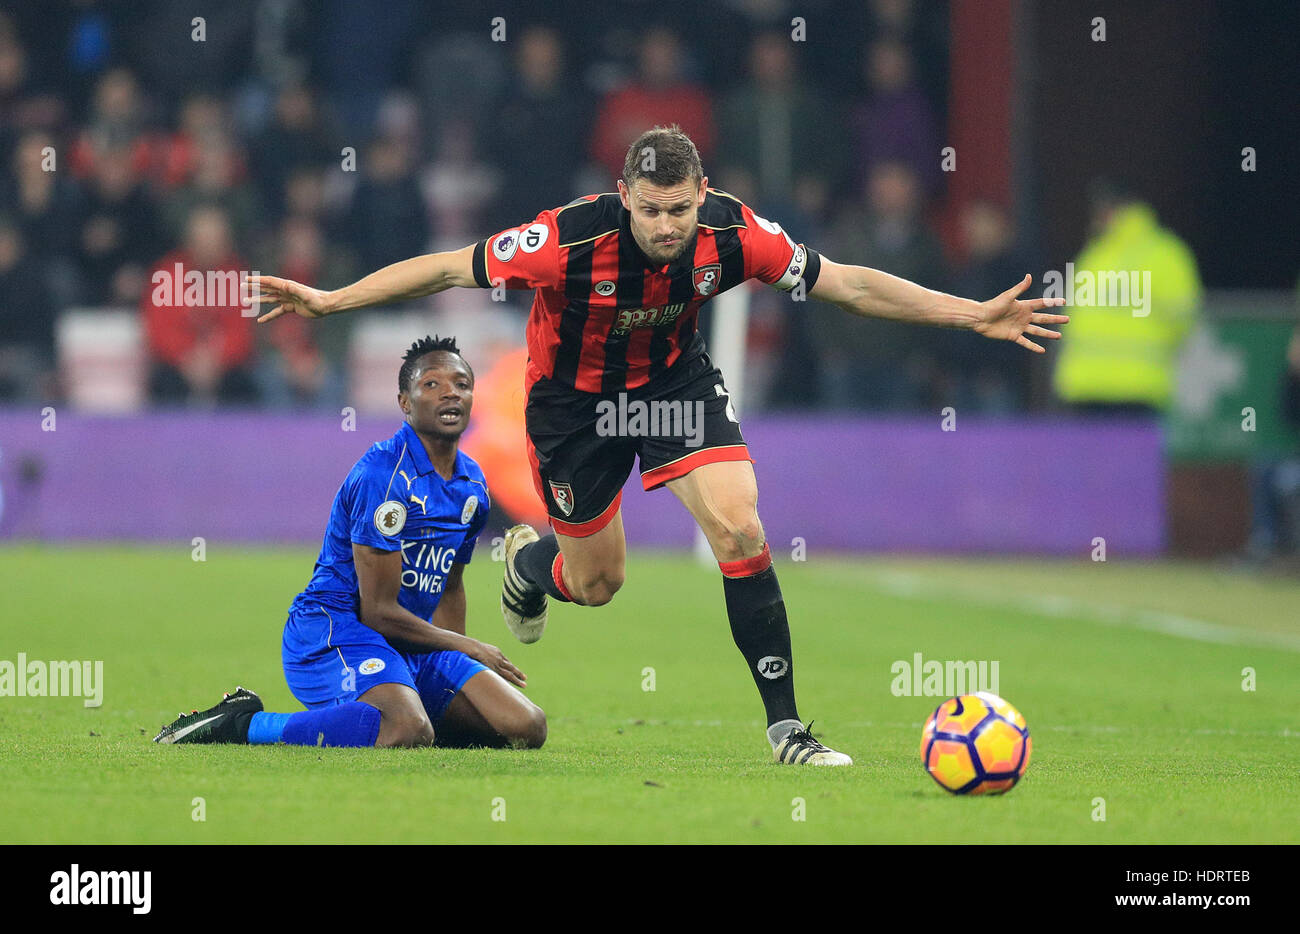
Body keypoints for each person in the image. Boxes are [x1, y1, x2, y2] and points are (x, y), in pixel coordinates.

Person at [253, 126, 1066, 765]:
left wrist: (971, 312)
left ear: (701, 195)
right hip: (573, 412)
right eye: (651, 211)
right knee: (599, 582)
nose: (669, 226)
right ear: (625, 198)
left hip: (674, 393)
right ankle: (533, 569)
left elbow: (848, 283)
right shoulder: (562, 241)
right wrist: (331, 300)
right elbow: (444, 269)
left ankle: (787, 729)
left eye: (681, 209)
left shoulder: (735, 232)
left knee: (741, 528)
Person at [154, 336, 546, 750]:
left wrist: (454, 665)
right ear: (404, 402)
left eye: (462, 383)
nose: (450, 392)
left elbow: (449, 586)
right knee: (406, 729)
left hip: (409, 642)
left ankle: (400, 709)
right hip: (333, 630)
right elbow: (377, 612)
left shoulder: (473, 485)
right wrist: (469, 646)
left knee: (525, 727)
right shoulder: (384, 476)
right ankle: (245, 724)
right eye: (431, 384)